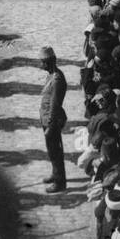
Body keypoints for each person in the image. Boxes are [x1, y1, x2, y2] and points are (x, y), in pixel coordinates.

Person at [39, 46, 68, 193]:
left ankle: (59, 182)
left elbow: (55, 106)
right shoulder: (51, 75)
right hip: (46, 119)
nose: (40, 65)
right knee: (52, 151)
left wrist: (50, 126)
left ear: (49, 62)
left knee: (56, 152)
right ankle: (55, 173)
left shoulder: (56, 79)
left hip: (53, 121)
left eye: (42, 62)